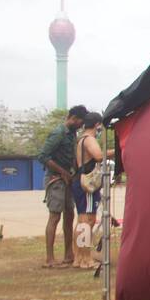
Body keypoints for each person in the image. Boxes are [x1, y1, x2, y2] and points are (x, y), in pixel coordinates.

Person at [37, 105, 87, 268]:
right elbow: (43, 156)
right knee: (55, 216)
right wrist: (63, 172)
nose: (81, 125)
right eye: (80, 122)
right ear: (73, 118)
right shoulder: (58, 133)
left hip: (67, 179)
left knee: (69, 215)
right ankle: (49, 258)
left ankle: (68, 254)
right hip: (56, 180)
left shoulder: (72, 135)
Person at [70, 112, 112, 269]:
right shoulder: (89, 139)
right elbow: (99, 156)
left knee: (82, 220)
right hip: (87, 183)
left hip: (80, 181)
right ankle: (86, 259)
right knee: (87, 221)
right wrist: (117, 151)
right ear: (96, 124)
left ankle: (79, 257)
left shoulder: (81, 139)